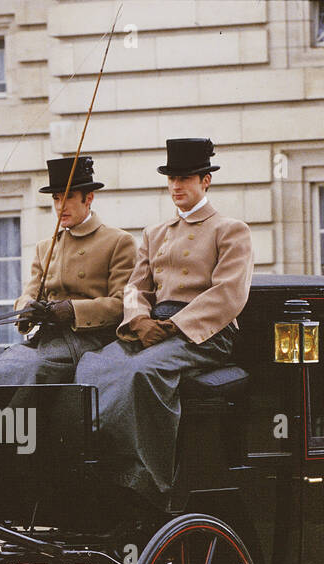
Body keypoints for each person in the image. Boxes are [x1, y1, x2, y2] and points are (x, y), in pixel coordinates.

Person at [74, 138, 254, 513]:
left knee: (142, 372)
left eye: (185, 178)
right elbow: (135, 287)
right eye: (172, 178)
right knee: (93, 365)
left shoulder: (230, 230)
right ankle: (98, 462)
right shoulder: (155, 233)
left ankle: (147, 478)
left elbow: (228, 294)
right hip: (151, 328)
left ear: (206, 181)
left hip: (205, 334)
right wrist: (139, 320)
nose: (176, 186)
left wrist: (174, 326)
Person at [0, 155, 136, 385]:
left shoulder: (118, 241)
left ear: (89, 198)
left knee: (28, 369)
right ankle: (1, 423)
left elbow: (121, 304)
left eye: (69, 197)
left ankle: (22, 422)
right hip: (48, 339)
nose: (59, 206)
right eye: (56, 198)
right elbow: (30, 293)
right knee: (1, 367)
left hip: (90, 341)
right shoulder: (45, 247)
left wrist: (73, 310)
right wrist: (27, 308)